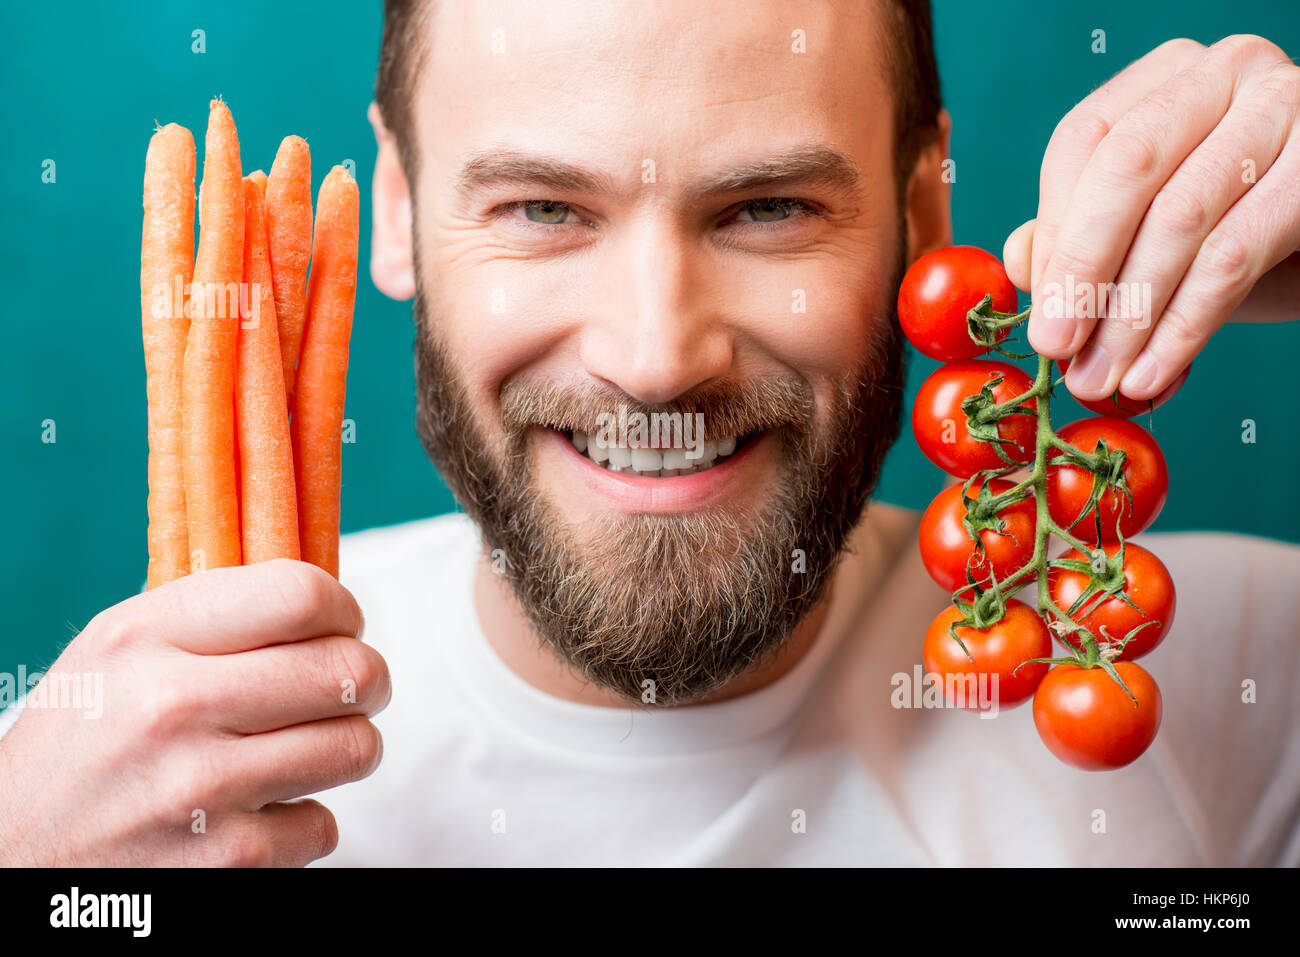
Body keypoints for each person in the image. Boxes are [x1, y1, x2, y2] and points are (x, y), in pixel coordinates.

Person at [2, 0, 1298, 866]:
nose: (655, 355)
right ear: (394, 213)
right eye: (540, 209)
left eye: (768, 209)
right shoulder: (100, 792)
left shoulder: (1236, 675)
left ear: (921, 211)